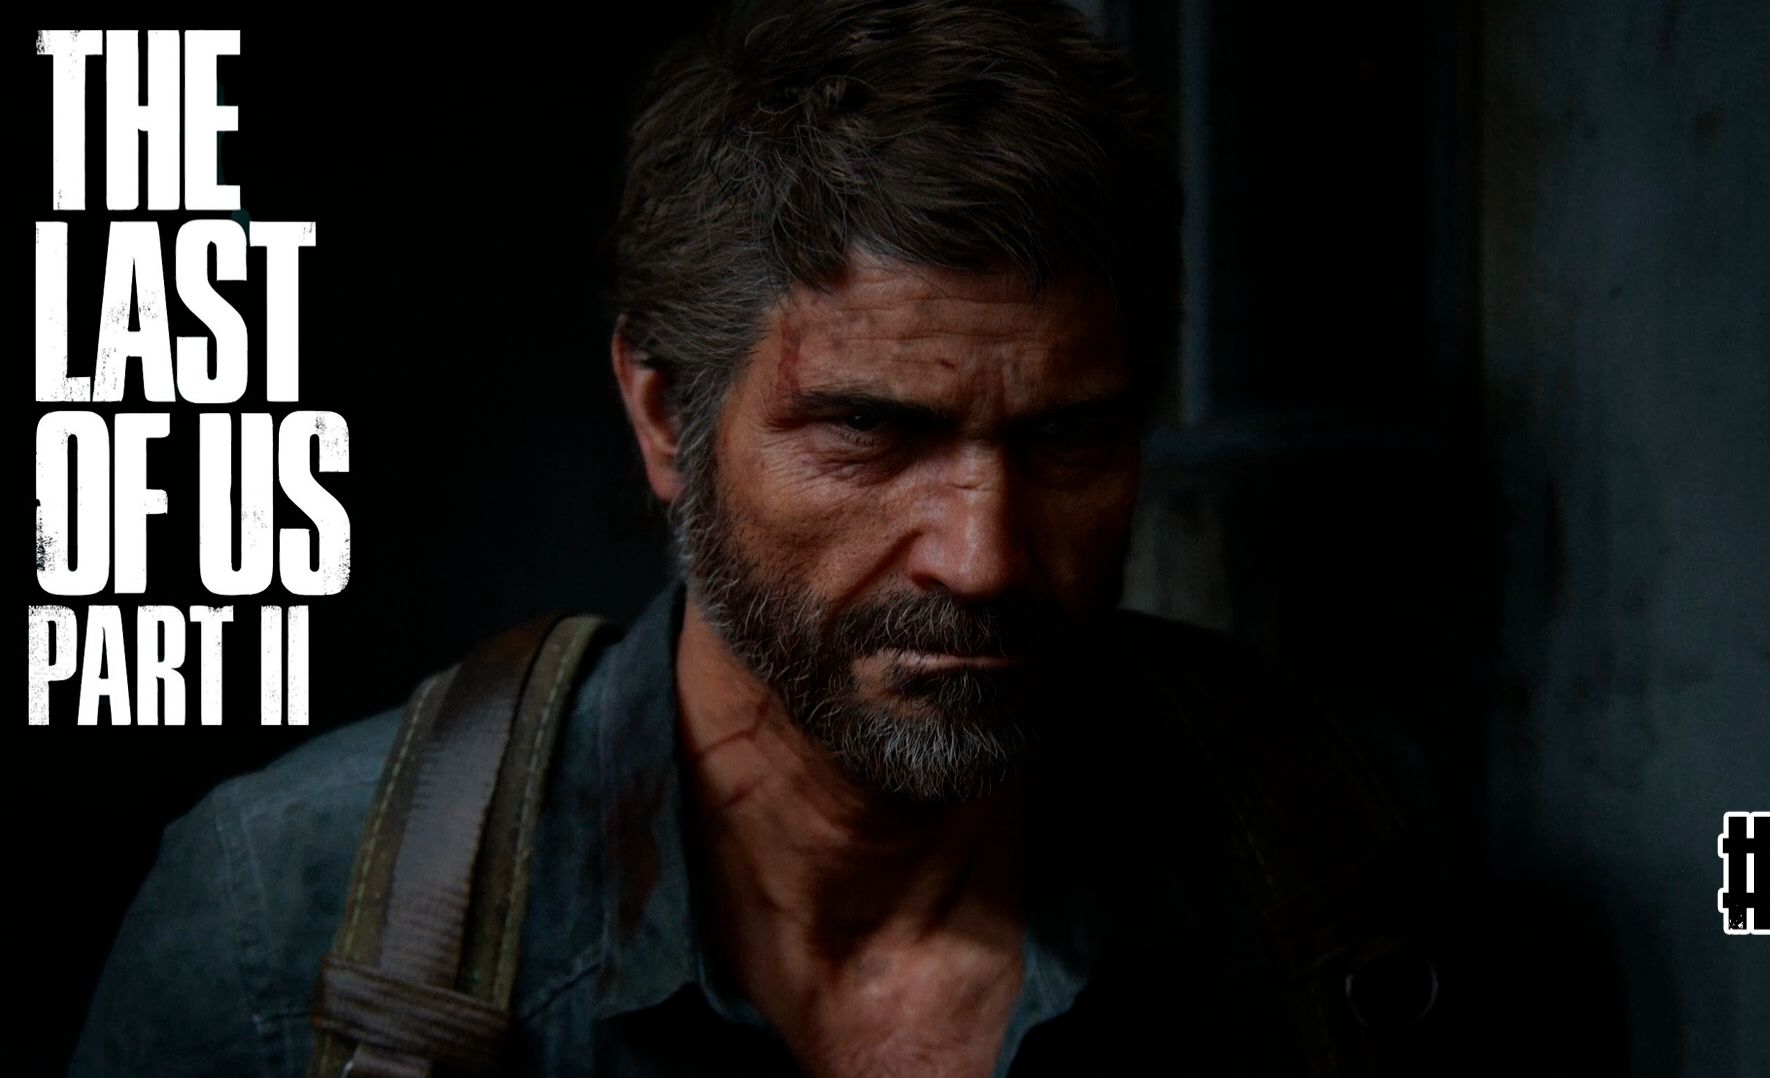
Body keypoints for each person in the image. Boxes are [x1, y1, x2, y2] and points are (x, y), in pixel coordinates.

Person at [71, 2, 1447, 1074]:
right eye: (871, 433)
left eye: (1069, 439)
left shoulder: (1326, 868)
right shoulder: (279, 927)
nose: (983, 557)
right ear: (665, 414)